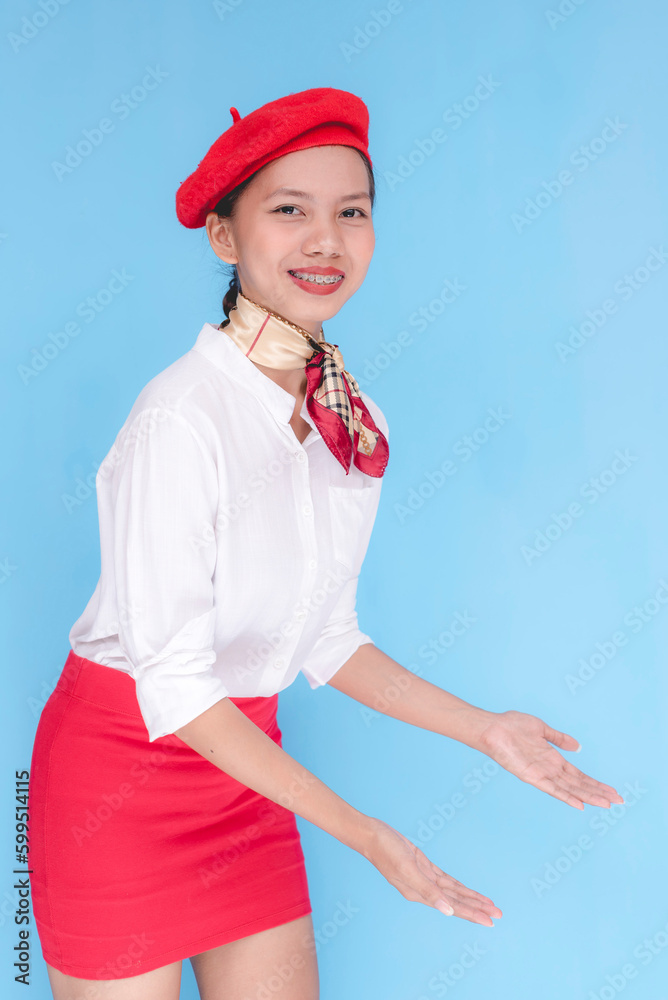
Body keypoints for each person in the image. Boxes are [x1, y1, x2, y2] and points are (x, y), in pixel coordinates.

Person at [28, 87, 624, 1000]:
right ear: (225, 237)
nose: (325, 241)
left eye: (352, 212)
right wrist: (367, 832)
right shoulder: (179, 420)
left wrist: (484, 731)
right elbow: (179, 690)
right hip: (120, 779)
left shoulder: (352, 421)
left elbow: (324, 639)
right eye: (289, 211)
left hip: (251, 775)